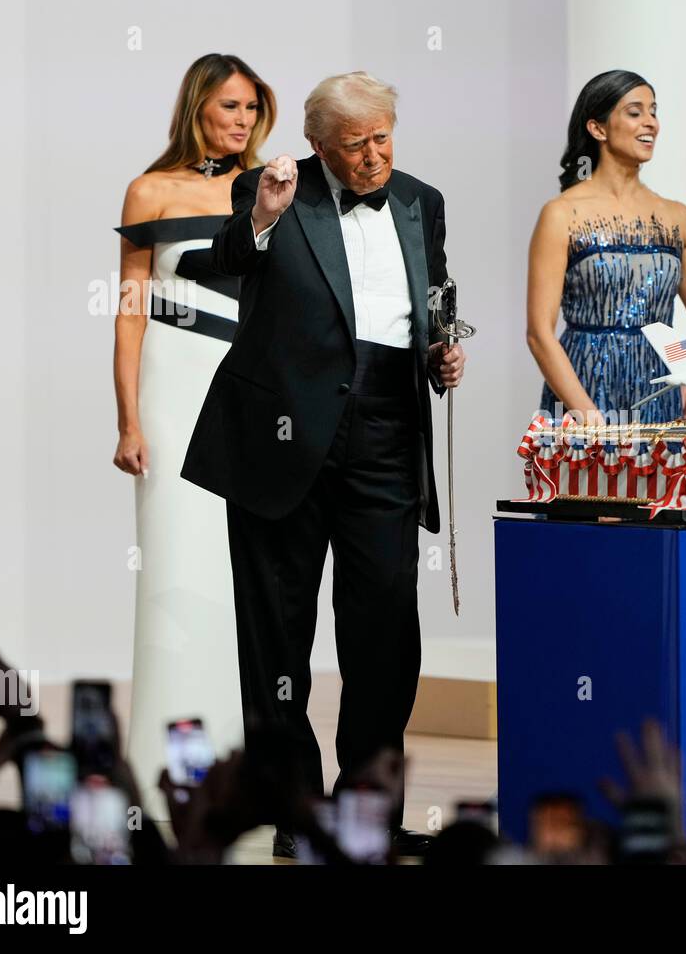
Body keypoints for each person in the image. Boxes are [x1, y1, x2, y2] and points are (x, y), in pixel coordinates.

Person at [180, 72, 466, 858]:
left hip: (386, 428)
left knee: (384, 630)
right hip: (284, 433)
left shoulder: (420, 198)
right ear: (318, 144)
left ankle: (367, 812)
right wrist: (265, 218)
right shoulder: (269, 187)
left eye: (383, 138)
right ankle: (296, 814)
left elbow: (432, 294)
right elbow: (219, 261)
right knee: (277, 637)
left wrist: (442, 351)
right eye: (355, 144)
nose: (374, 157)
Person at [112, 53, 276, 813]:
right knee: (178, 561)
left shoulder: (273, 189)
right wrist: (129, 419)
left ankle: (247, 770)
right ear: (198, 108)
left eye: (251, 108)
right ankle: (161, 765)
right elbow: (130, 308)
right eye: (229, 106)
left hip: (252, 392)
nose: (241, 120)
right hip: (173, 392)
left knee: (249, 574)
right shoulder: (151, 190)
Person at [527, 71, 686, 426]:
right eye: (635, 111)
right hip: (581, 396)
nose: (651, 123)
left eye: (654, 111)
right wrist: (589, 418)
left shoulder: (677, 217)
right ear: (597, 129)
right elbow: (539, 334)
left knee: (658, 483)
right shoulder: (561, 215)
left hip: (657, 395)